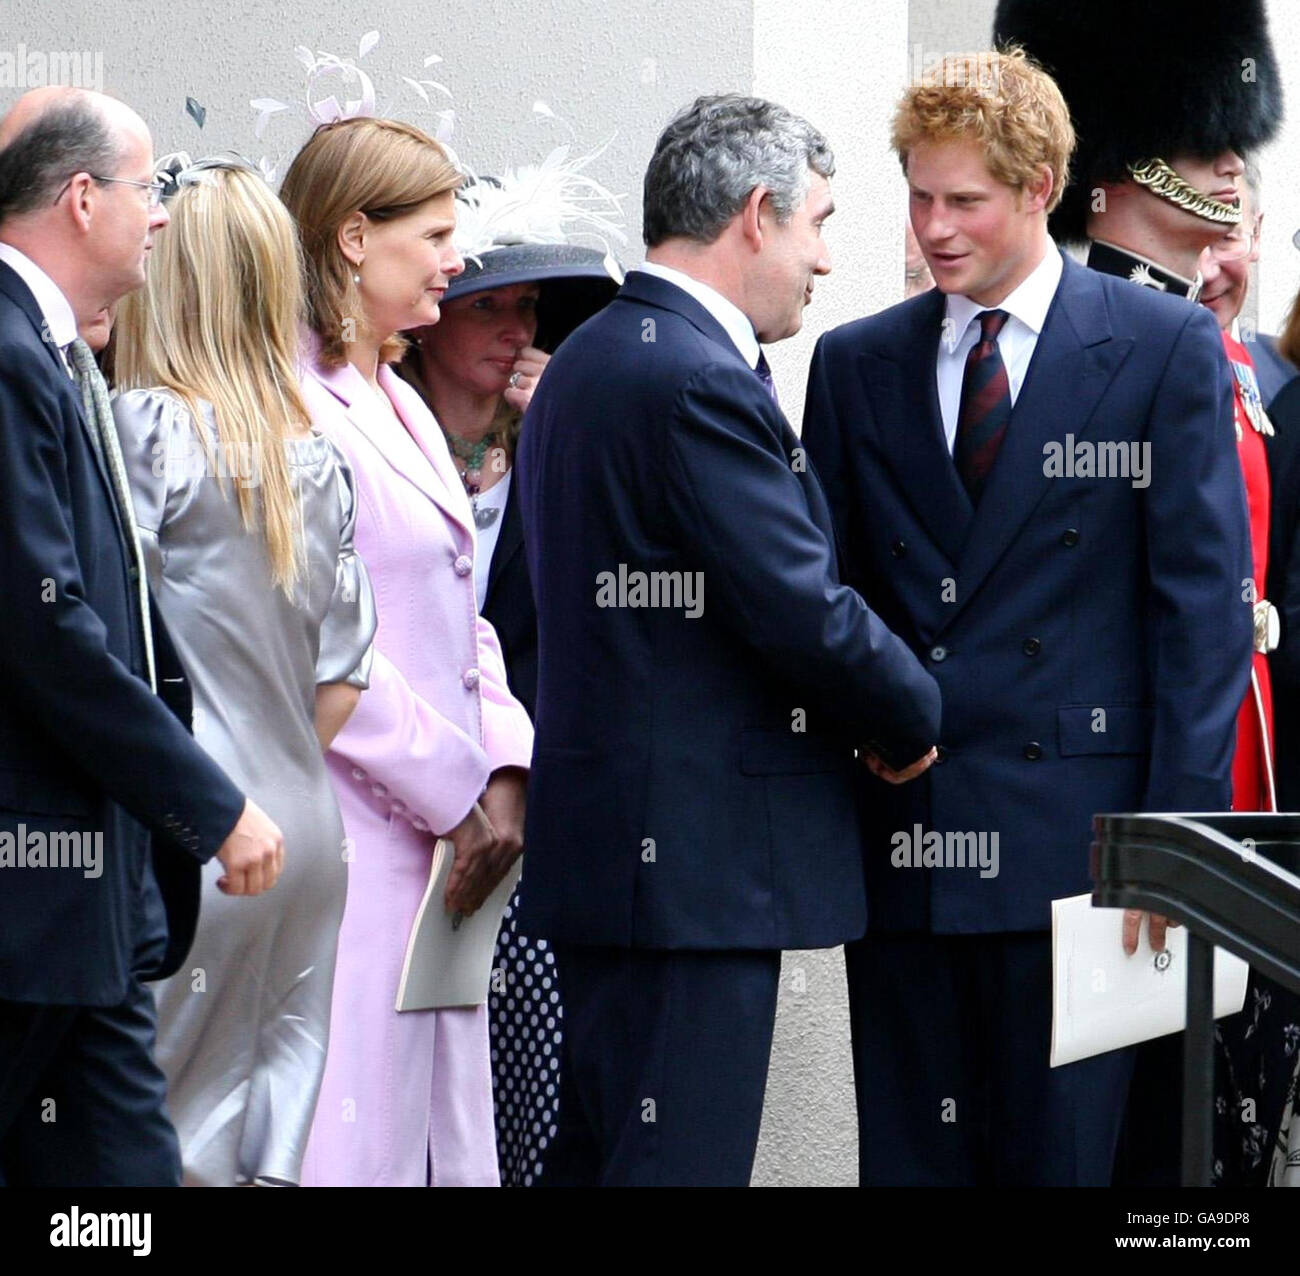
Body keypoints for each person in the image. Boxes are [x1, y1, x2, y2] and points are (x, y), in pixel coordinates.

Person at [801, 48, 1251, 1186]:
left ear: (1042, 188)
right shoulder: (857, 364)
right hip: (908, 844)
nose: (933, 227)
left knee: (1065, 1169)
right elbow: (829, 596)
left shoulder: (1161, 347)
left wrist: (1175, 850)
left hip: (1086, 858)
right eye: (917, 195)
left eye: (965, 200)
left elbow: (1200, 621)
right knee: (910, 1164)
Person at [516, 93, 941, 1187]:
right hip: (692, 878)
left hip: (620, 860)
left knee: (608, 1155)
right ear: (758, 214)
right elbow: (800, 607)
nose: (827, 260)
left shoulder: (585, 362)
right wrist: (910, 711)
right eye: (819, 222)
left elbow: (519, 611)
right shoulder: (694, 378)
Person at [996, 0, 1284, 1187]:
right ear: (1110, 174)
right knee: (1135, 1138)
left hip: (1238, 768)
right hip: (1148, 781)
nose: (1232, 161)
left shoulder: (1208, 344)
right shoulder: (1108, 339)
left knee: (1220, 1130)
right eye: (1199, 136)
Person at [0, 87, 283, 1187]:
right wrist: (206, 802)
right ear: (80, 199)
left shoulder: (51, 352)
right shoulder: (14, 356)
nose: (162, 214)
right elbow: (44, 629)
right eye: (145, 188)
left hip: (83, 904)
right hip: (32, 902)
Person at [110, 158, 376, 1186]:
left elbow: (101, 636)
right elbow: (346, 675)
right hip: (306, 828)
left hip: (195, 826)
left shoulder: (145, 430)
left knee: (163, 1127)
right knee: (274, 1124)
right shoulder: (317, 450)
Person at [281, 116, 535, 1188]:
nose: (456, 260)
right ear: (350, 239)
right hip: (359, 836)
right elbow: (316, 641)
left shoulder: (398, 398)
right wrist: (455, 786)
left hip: (446, 849)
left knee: (442, 1140)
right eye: (433, 234)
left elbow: (457, 609)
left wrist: (508, 766)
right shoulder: (294, 403)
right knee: (356, 1141)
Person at [396, 169, 621, 1187]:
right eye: (485, 304)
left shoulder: (555, 450)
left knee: (524, 1112)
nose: (511, 326)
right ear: (430, 317)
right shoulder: (378, 444)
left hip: (536, 828)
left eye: (526, 308)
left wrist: (554, 446)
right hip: (400, 809)